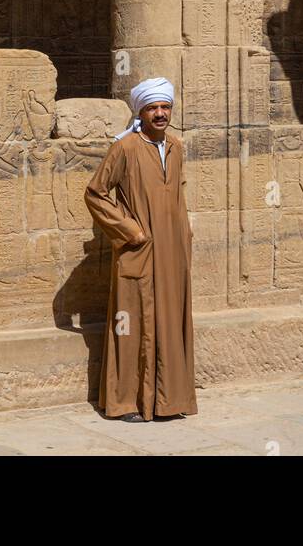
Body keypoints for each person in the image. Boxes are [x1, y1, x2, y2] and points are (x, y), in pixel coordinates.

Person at [84, 77, 197, 421]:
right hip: (139, 251)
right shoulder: (125, 148)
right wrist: (130, 231)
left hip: (173, 253)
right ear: (141, 112)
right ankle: (125, 403)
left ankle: (168, 401)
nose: (160, 114)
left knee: (169, 320)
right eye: (153, 108)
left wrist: (184, 236)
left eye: (165, 107)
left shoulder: (176, 146)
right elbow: (95, 193)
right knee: (130, 324)